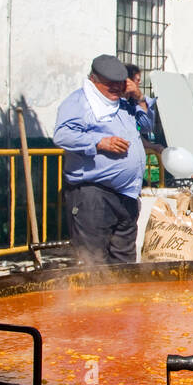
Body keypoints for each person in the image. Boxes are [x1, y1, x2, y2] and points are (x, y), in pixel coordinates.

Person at [53, 54, 152, 266]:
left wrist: (139, 98)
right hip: (93, 195)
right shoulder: (79, 101)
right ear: (94, 80)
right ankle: (94, 298)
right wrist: (100, 142)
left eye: (120, 84)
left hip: (126, 195)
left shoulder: (124, 104)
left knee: (124, 261)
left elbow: (147, 126)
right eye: (110, 85)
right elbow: (62, 135)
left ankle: (125, 298)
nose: (117, 89)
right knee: (95, 260)